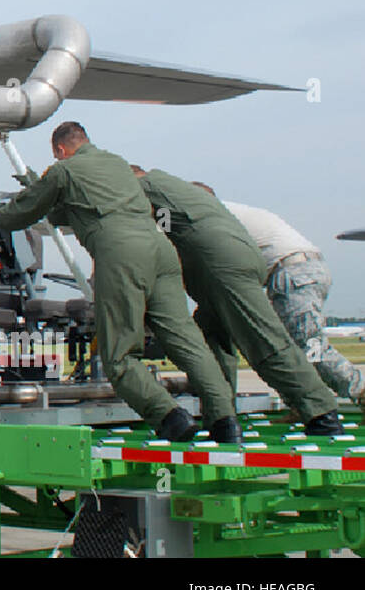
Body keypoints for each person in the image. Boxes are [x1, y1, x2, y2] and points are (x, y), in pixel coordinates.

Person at [0, 122, 235, 441]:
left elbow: (24, 213)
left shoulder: (64, 170)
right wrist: (35, 184)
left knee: (120, 358)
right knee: (188, 342)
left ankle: (171, 418)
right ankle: (225, 421)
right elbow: (65, 212)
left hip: (123, 253)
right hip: (161, 251)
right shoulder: (117, 164)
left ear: (60, 150)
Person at [131, 168, 342, 437]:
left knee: (264, 341)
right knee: (211, 337)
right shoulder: (183, 203)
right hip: (236, 269)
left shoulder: (156, 193)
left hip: (242, 270)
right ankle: (221, 417)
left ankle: (321, 412)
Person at [220, 198, 365, 409]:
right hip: (303, 269)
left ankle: (358, 391)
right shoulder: (233, 211)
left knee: (308, 344)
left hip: (293, 272)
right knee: (294, 346)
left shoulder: (210, 214)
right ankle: (309, 405)